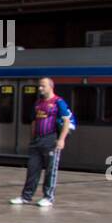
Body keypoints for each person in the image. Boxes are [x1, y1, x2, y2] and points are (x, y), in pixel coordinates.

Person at [10, 77, 71, 208]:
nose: (40, 88)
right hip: (37, 141)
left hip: (51, 139)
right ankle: (26, 196)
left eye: (43, 86)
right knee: (32, 169)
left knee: (50, 170)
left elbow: (67, 121)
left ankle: (48, 197)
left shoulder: (58, 102)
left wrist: (61, 139)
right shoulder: (38, 103)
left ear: (51, 86)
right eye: (39, 86)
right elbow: (33, 121)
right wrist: (32, 138)